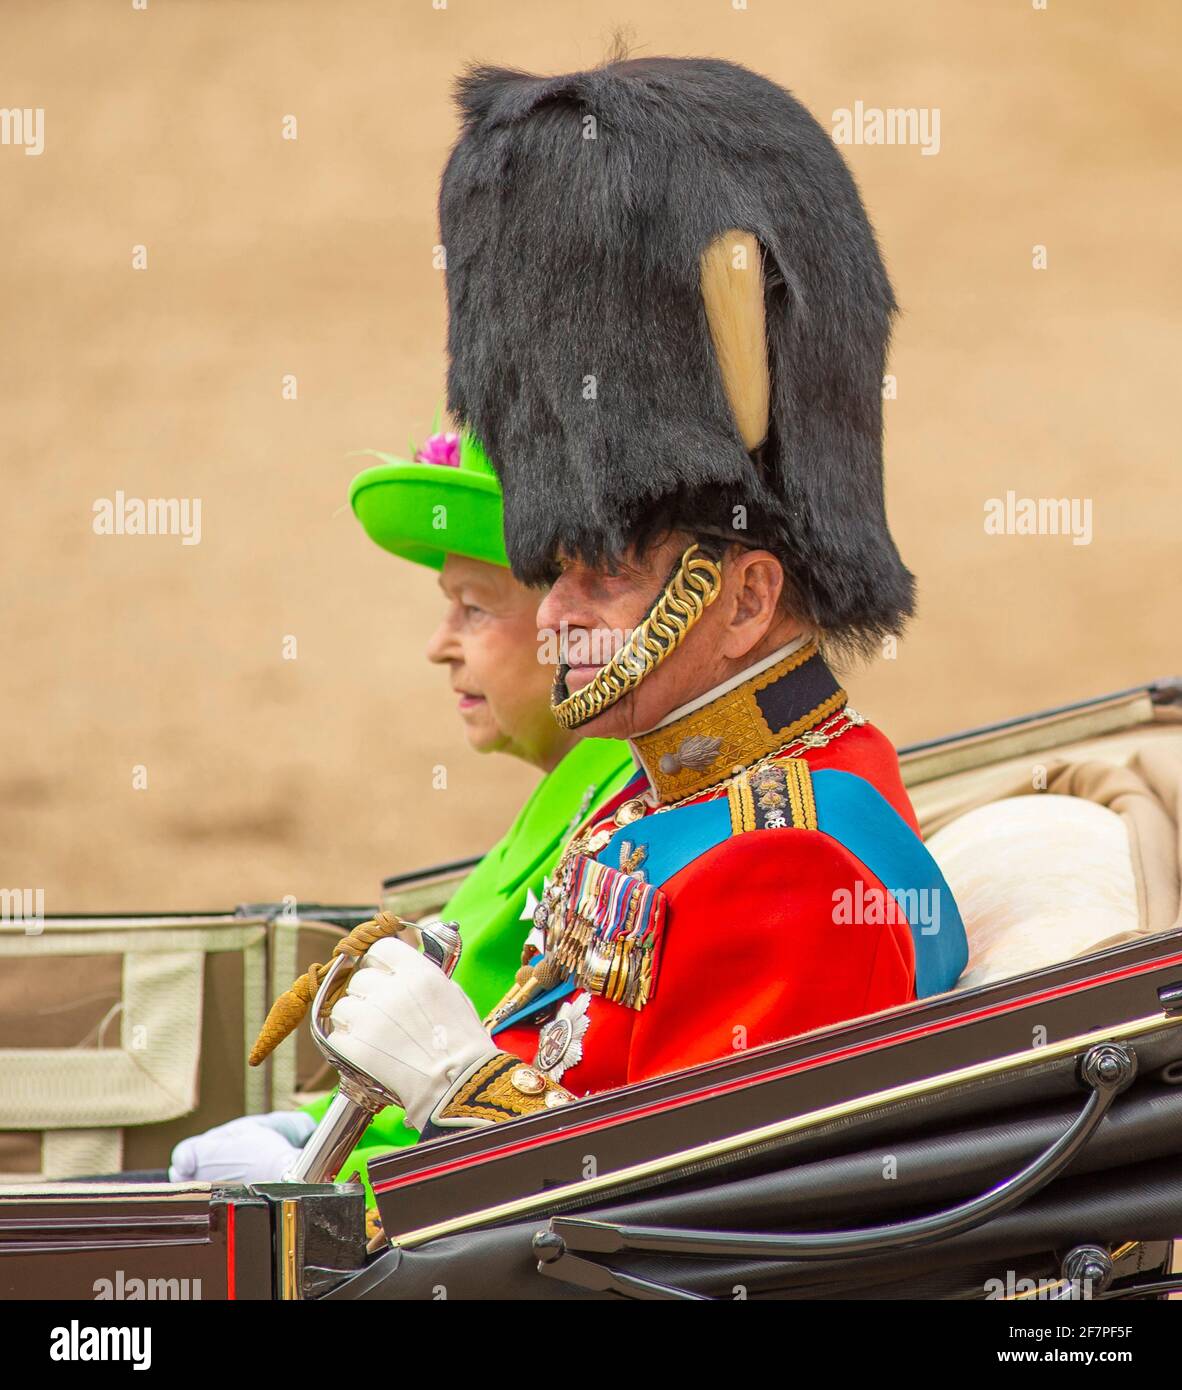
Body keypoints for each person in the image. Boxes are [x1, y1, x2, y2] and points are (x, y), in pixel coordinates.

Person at [323, 55, 969, 1138]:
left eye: (606, 572)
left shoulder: (789, 865)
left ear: (748, 596)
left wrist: (458, 1088)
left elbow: (697, 1230)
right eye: (555, 571)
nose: (558, 614)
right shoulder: (658, 795)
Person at [168, 430, 634, 1186]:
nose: (439, 644)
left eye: (474, 608)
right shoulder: (577, 788)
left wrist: (325, 1176)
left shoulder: (621, 804)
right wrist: (313, 1132)